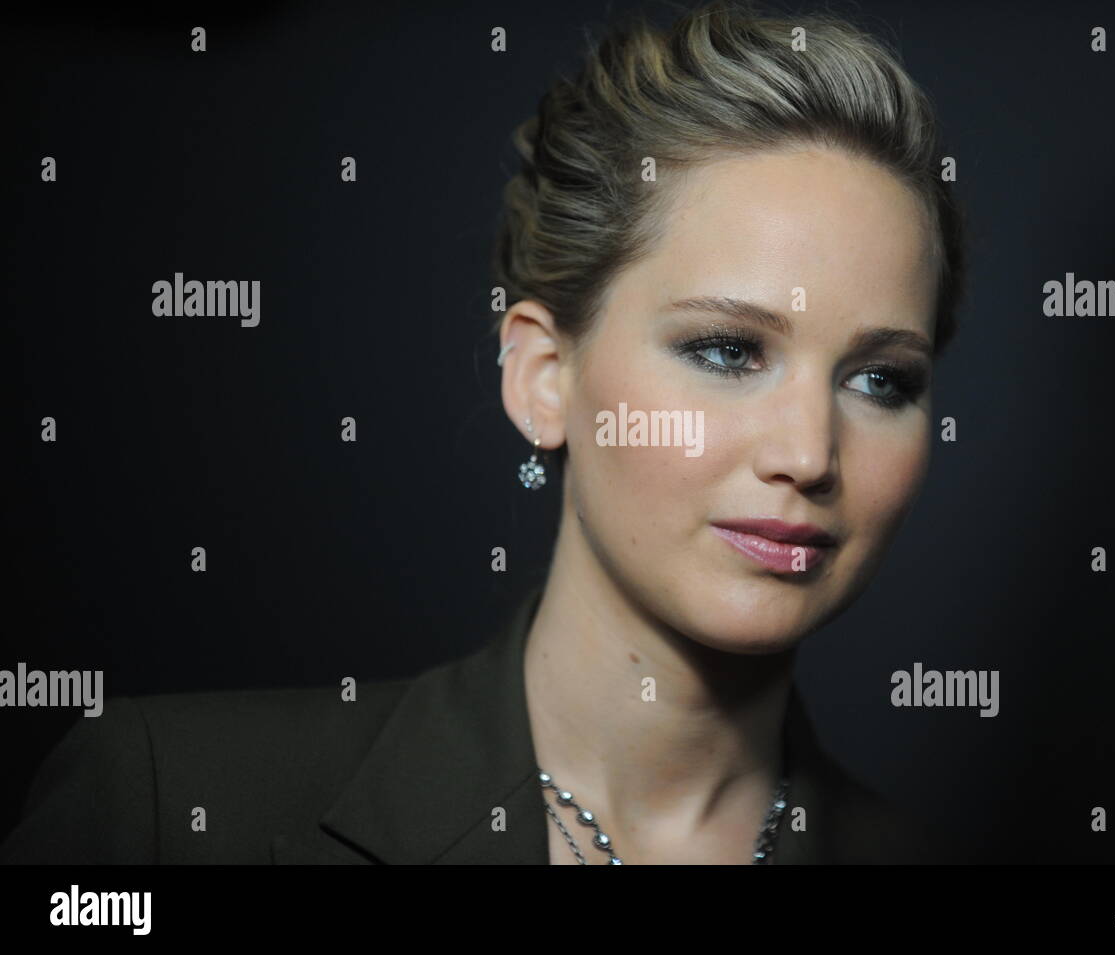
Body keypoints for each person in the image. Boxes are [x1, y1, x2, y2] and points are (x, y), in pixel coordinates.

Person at [0, 0, 965, 865]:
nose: (806, 453)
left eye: (881, 378)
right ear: (545, 378)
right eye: (725, 351)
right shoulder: (170, 809)